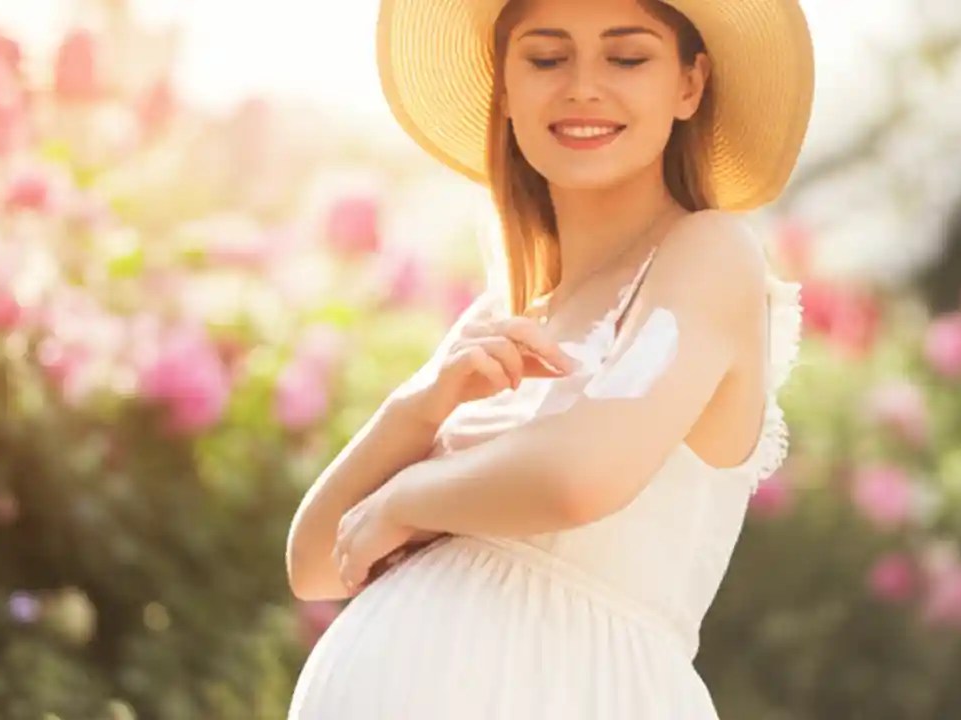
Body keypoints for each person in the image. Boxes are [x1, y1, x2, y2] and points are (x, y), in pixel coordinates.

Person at [285, 0, 813, 716]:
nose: (582, 87)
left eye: (626, 58)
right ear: (504, 87)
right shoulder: (506, 315)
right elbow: (317, 561)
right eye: (545, 58)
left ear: (689, 85)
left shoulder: (709, 254)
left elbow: (579, 476)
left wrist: (406, 500)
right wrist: (419, 406)